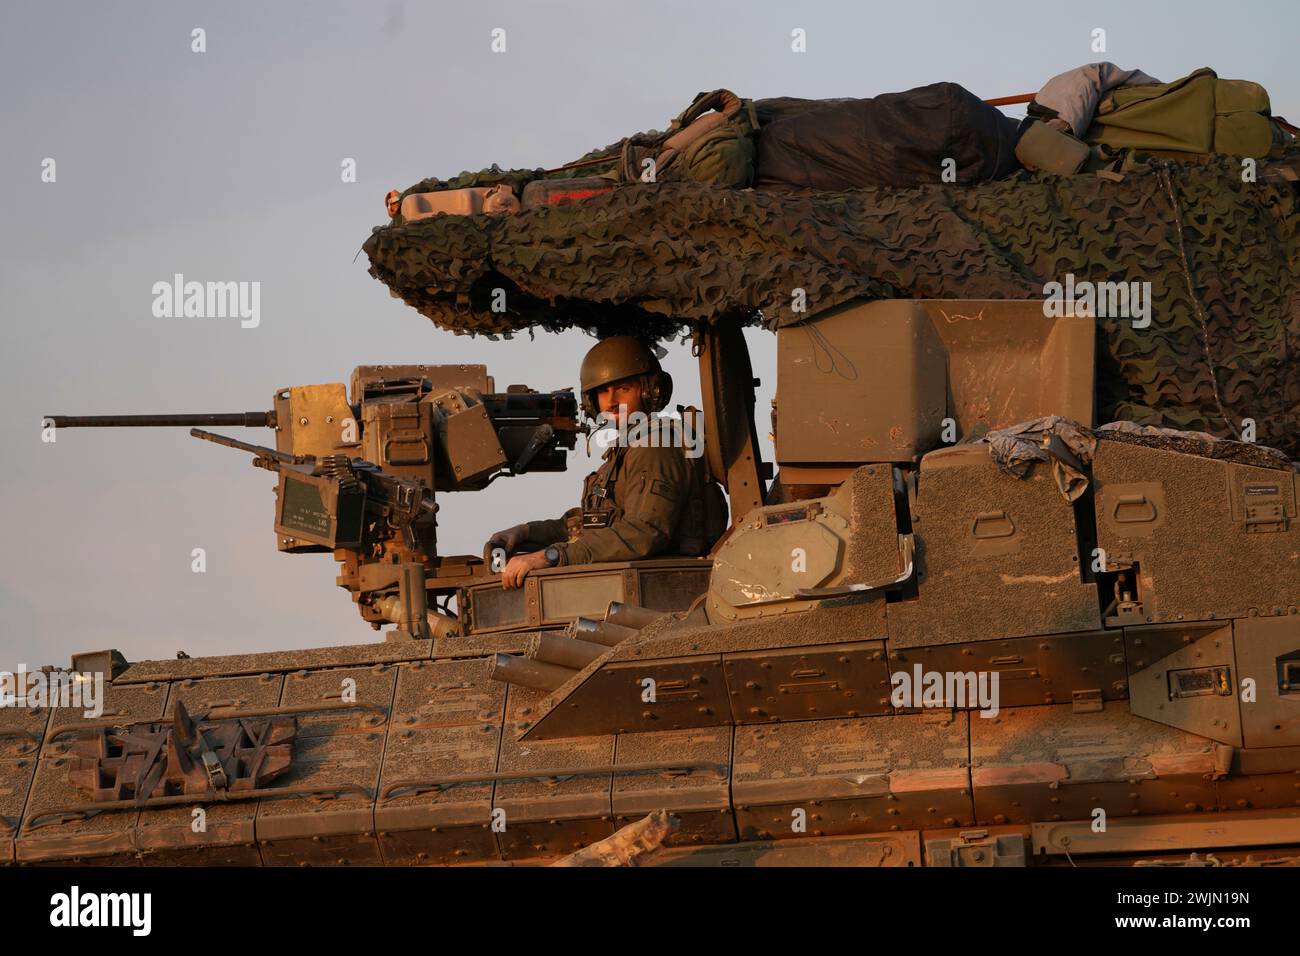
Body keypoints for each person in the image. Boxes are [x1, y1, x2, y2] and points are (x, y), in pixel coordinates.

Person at [484, 336, 723, 589]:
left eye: (623, 389)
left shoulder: (656, 446)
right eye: (603, 391)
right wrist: (523, 534)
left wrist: (550, 557)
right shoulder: (625, 452)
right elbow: (588, 526)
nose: (611, 401)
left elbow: (643, 533)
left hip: (664, 589)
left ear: (649, 391)